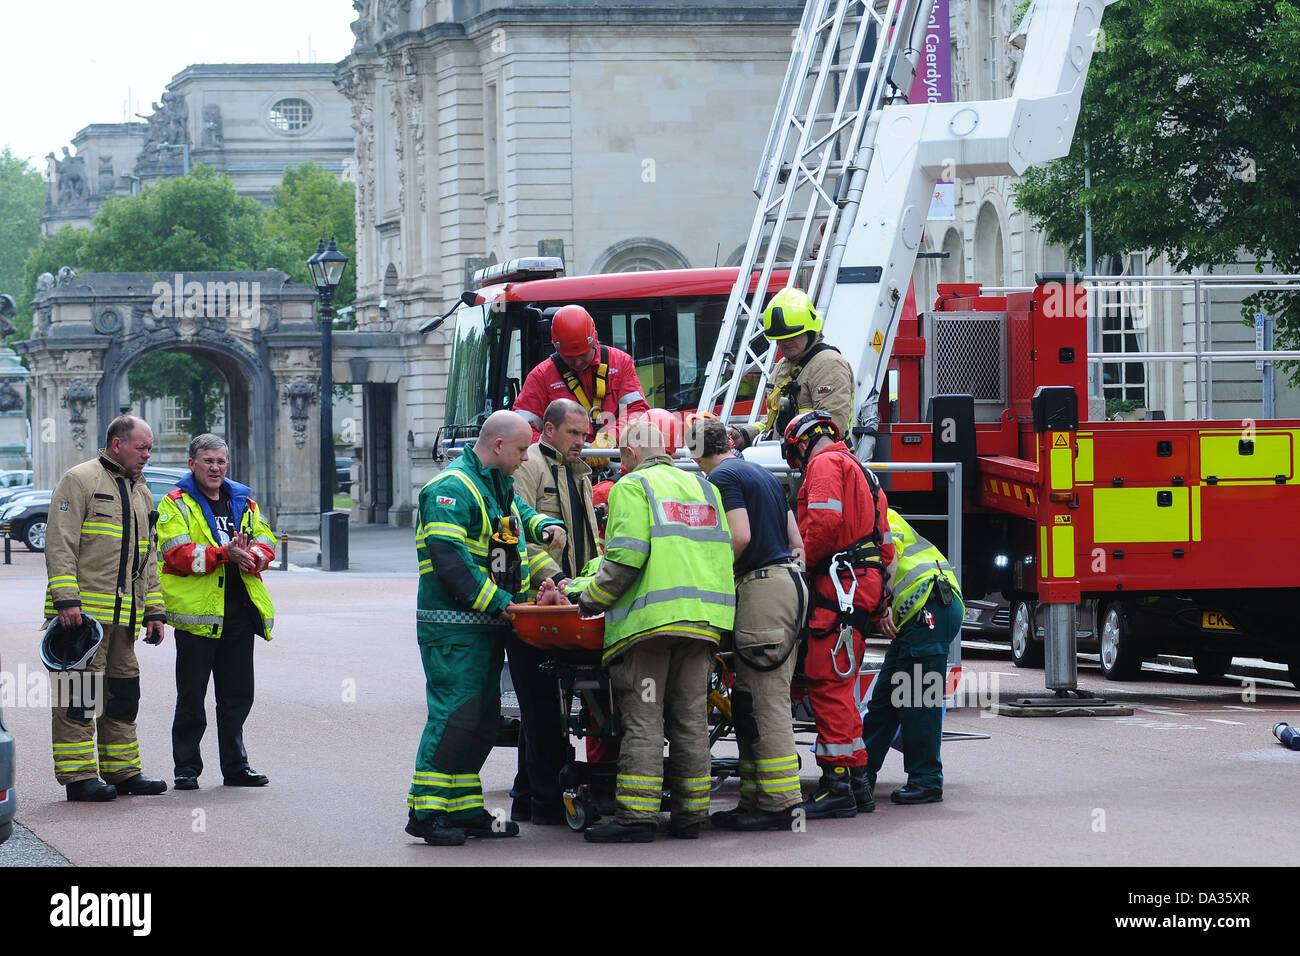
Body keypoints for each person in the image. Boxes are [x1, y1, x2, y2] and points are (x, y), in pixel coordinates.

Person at [567, 417, 736, 843]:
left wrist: (586, 599)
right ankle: (690, 817)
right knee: (691, 720)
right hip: (702, 627)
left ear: (628, 454)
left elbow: (624, 559)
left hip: (650, 631)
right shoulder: (705, 488)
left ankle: (637, 819)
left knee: (644, 719)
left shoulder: (632, 487)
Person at [406, 410, 567, 846]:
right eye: (519, 450)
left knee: (479, 721)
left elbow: (518, 525)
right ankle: (425, 810)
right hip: (454, 627)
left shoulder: (498, 487)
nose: (524, 458)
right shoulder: (450, 488)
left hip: (485, 626)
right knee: (455, 716)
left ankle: (462, 808)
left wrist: (546, 527)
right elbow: (450, 563)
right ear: (498, 446)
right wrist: (505, 605)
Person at [688, 417, 810, 832]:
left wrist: (713, 578)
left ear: (693, 452)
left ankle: (780, 805)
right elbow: (797, 542)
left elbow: (738, 537)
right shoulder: (760, 472)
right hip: (785, 586)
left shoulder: (722, 476)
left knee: (763, 700)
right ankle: (755, 799)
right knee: (749, 699)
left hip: (762, 589)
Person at [43, 414, 168, 802]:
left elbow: (148, 558)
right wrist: (66, 601)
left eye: (149, 448)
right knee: (80, 697)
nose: (147, 454)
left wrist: (155, 611)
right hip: (82, 619)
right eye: (141, 447)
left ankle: (123, 771)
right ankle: (79, 778)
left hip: (126, 621)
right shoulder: (80, 479)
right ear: (118, 444)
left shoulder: (142, 491)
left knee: (123, 695)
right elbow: (60, 543)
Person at [782, 409, 894, 819]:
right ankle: (859, 783)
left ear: (802, 441)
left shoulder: (826, 464)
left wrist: (798, 567)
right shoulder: (864, 473)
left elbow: (824, 525)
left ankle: (837, 788)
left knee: (826, 683)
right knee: (843, 685)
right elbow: (885, 547)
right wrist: (878, 599)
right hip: (859, 587)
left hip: (837, 587)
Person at [157, 434, 277, 790]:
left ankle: (236, 767)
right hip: (199, 617)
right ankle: (187, 769)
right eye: (208, 461)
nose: (216, 468)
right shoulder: (174, 503)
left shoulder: (243, 500)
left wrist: (252, 556)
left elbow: (266, 540)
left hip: (240, 611)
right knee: (191, 698)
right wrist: (225, 554)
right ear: (192, 464)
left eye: (221, 461)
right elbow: (176, 554)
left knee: (237, 696)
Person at [505, 398, 600, 824]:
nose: (582, 441)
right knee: (542, 703)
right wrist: (561, 581)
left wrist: (584, 586)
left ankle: (530, 795)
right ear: (548, 429)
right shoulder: (529, 467)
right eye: (574, 433)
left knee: (541, 704)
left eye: (585, 434)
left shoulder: (577, 471)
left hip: (565, 604)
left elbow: (587, 543)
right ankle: (544, 800)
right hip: (536, 605)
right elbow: (519, 538)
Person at [859, 509, 963, 806]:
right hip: (925, 610)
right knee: (884, 701)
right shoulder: (872, 512)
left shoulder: (878, 515)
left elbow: (889, 558)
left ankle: (927, 781)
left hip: (929, 607)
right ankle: (862, 774)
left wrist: (881, 604)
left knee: (917, 701)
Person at [731, 287, 855, 451]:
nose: (785, 341)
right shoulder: (783, 366)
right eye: (780, 338)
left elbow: (831, 425)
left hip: (821, 463)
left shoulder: (828, 364)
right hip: (789, 462)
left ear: (810, 331)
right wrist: (745, 435)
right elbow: (776, 423)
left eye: (793, 334)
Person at [512, 304, 650, 441]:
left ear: (595, 338)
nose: (577, 362)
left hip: (614, 455)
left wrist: (610, 439)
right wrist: (554, 450)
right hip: (563, 461)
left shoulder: (620, 362)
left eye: (583, 354)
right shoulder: (541, 376)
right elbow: (522, 428)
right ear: (555, 347)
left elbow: (636, 410)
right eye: (569, 357)